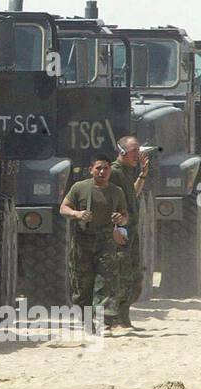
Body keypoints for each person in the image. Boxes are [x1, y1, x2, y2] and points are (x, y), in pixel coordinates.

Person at [59, 154, 129, 332]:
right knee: (82, 284)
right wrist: (77, 214)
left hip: (106, 241)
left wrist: (120, 219)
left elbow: (125, 216)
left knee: (106, 281)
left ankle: (103, 319)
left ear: (110, 170)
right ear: (91, 170)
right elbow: (64, 208)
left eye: (106, 168)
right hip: (83, 240)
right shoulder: (79, 188)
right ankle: (86, 320)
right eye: (98, 168)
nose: (102, 171)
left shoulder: (116, 192)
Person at [109, 136, 151, 327]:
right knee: (123, 277)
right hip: (121, 233)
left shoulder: (126, 172)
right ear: (122, 152)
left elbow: (131, 194)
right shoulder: (114, 172)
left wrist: (142, 174)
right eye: (134, 151)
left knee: (135, 277)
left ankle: (121, 317)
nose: (138, 155)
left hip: (131, 232)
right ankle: (119, 319)